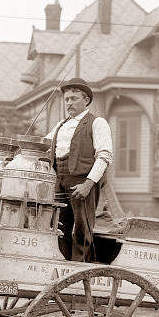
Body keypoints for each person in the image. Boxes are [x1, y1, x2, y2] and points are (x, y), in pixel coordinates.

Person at [45, 79, 113, 262]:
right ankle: (62, 267)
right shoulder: (60, 125)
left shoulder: (97, 123)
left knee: (82, 227)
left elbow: (104, 156)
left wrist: (88, 184)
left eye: (74, 98)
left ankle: (80, 269)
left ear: (86, 100)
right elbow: (43, 146)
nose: (69, 103)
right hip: (59, 181)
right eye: (66, 99)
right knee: (58, 226)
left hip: (82, 181)